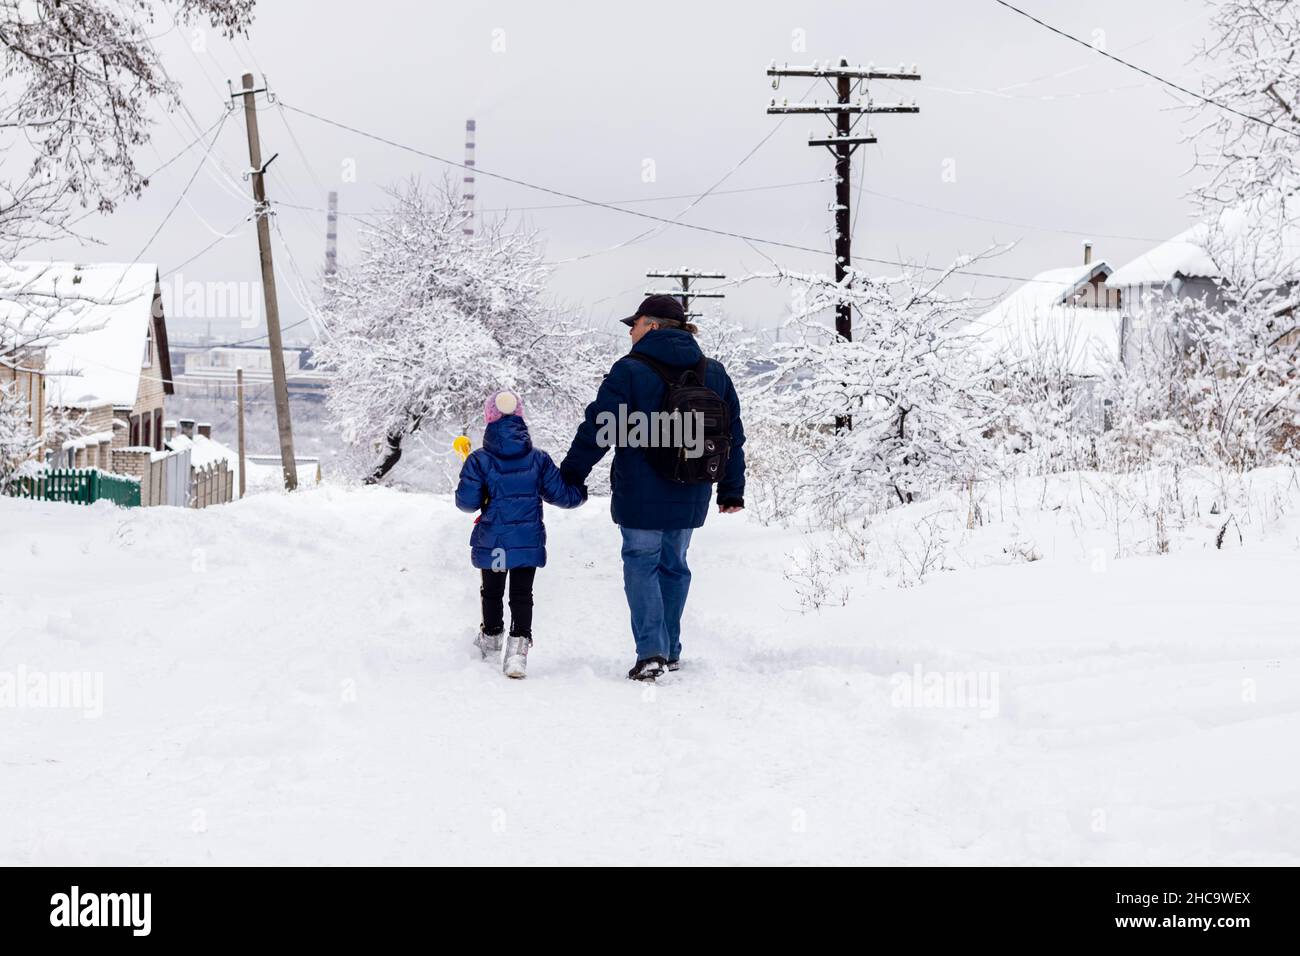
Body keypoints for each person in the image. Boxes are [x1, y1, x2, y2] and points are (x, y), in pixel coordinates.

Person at [560, 294, 745, 681]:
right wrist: (731, 489)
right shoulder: (714, 373)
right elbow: (732, 436)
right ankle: (671, 650)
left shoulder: (629, 370)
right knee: (674, 566)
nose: (631, 329)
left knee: (642, 564)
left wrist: (571, 474)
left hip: (641, 488)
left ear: (655, 326)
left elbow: (600, 426)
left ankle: (651, 653)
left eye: (637, 322)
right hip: (692, 486)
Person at [455, 389, 586, 678]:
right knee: (521, 594)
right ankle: (517, 653)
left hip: (495, 543)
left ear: (489, 421)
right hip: (527, 541)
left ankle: (490, 640)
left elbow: (466, 503)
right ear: (520, 421)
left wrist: (469, 475)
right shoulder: (538, 460)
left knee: (492, 591)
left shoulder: (479, 460)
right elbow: (563, 495)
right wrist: (580, 491)